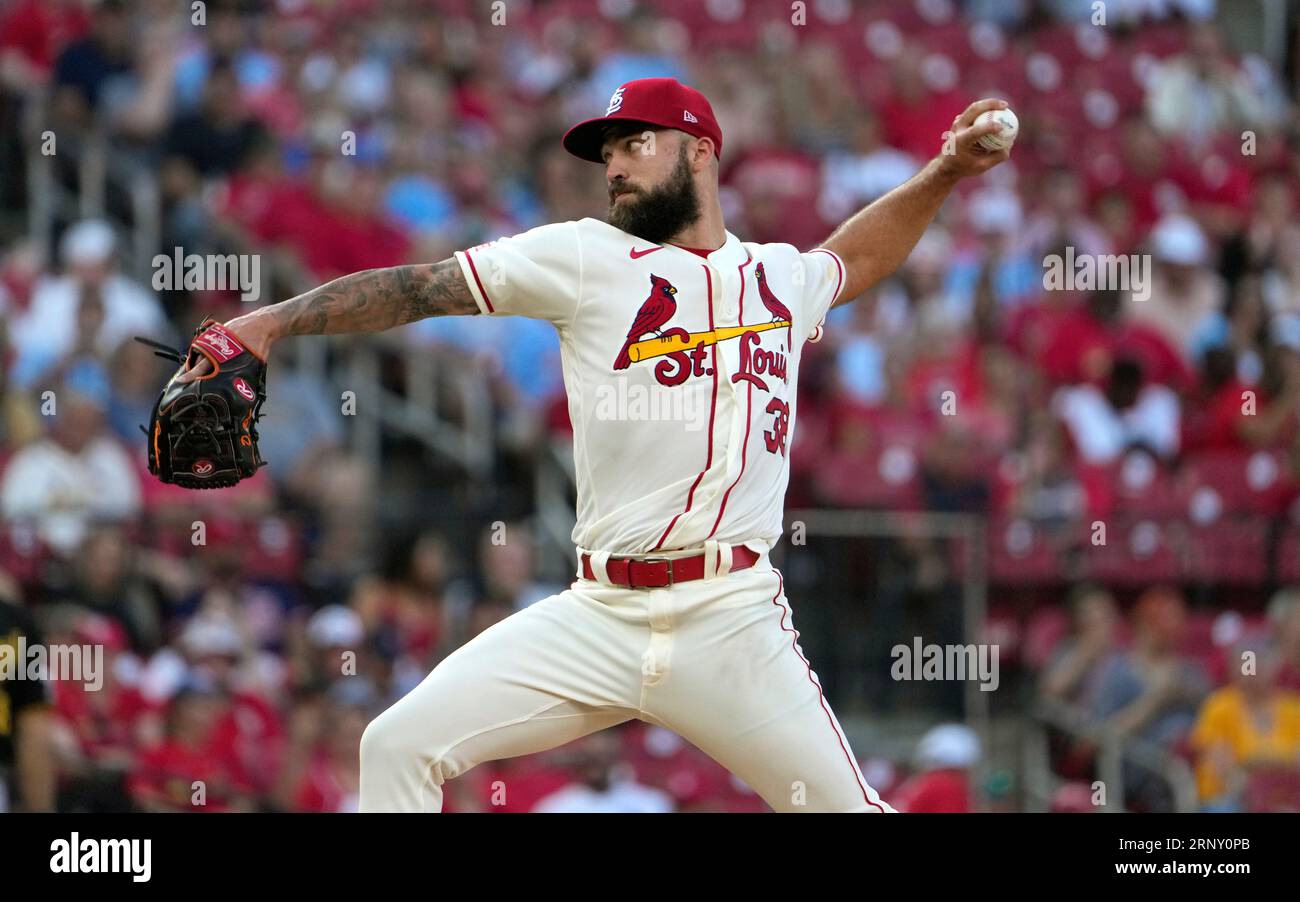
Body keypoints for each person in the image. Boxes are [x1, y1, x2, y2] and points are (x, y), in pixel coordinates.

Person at [176, 77, 1012, 813]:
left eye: (636, 144)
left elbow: (851, 258)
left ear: (701, 152)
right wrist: (273, 321)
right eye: (607, 150)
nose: (614, 165)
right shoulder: (583, 257)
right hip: (599, 613)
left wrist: (942, 174)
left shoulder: (778, 278)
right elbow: (419, 289)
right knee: (396, 745)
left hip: (730, 619)